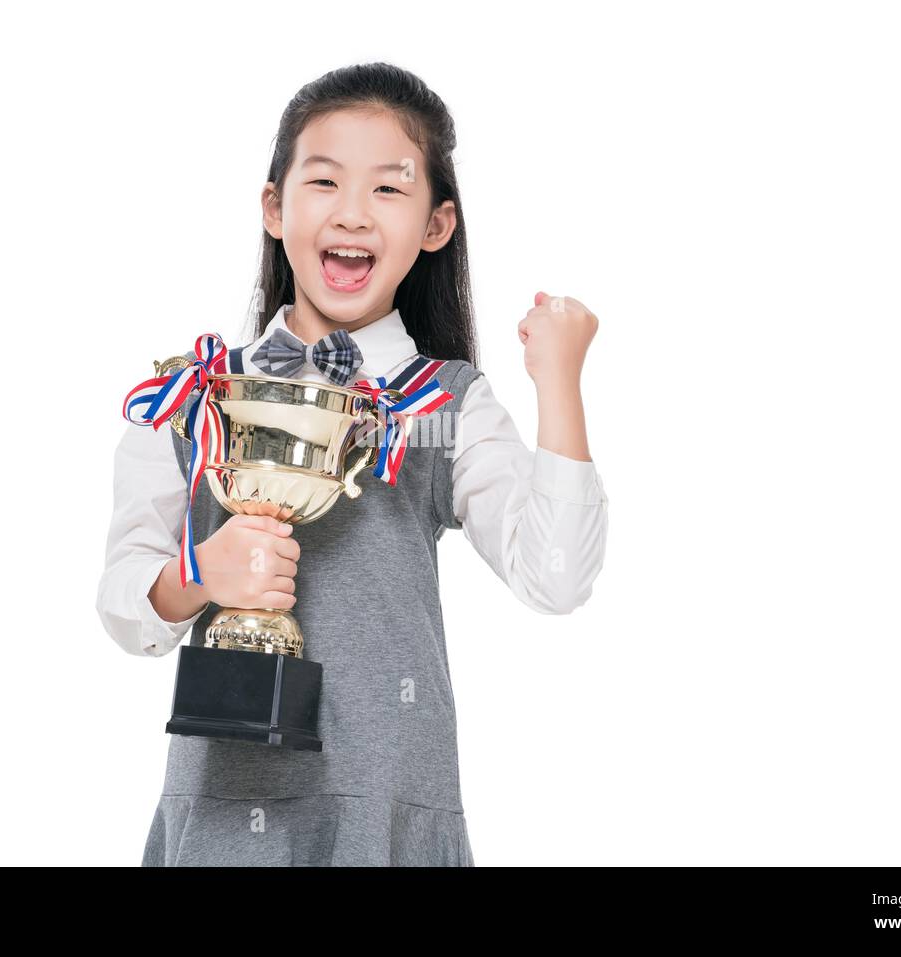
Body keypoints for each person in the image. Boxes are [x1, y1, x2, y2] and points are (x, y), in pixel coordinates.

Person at [97, 62, 608, 866]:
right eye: (326, 181)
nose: (353, 214)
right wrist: (201, 572)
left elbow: (556, 576)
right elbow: (126, 604)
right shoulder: (190, 394)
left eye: (389, 190)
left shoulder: (443, 405)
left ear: (436, 226)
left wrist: (559, 386)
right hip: (228, 814)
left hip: (388, 812)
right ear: (276, 207)